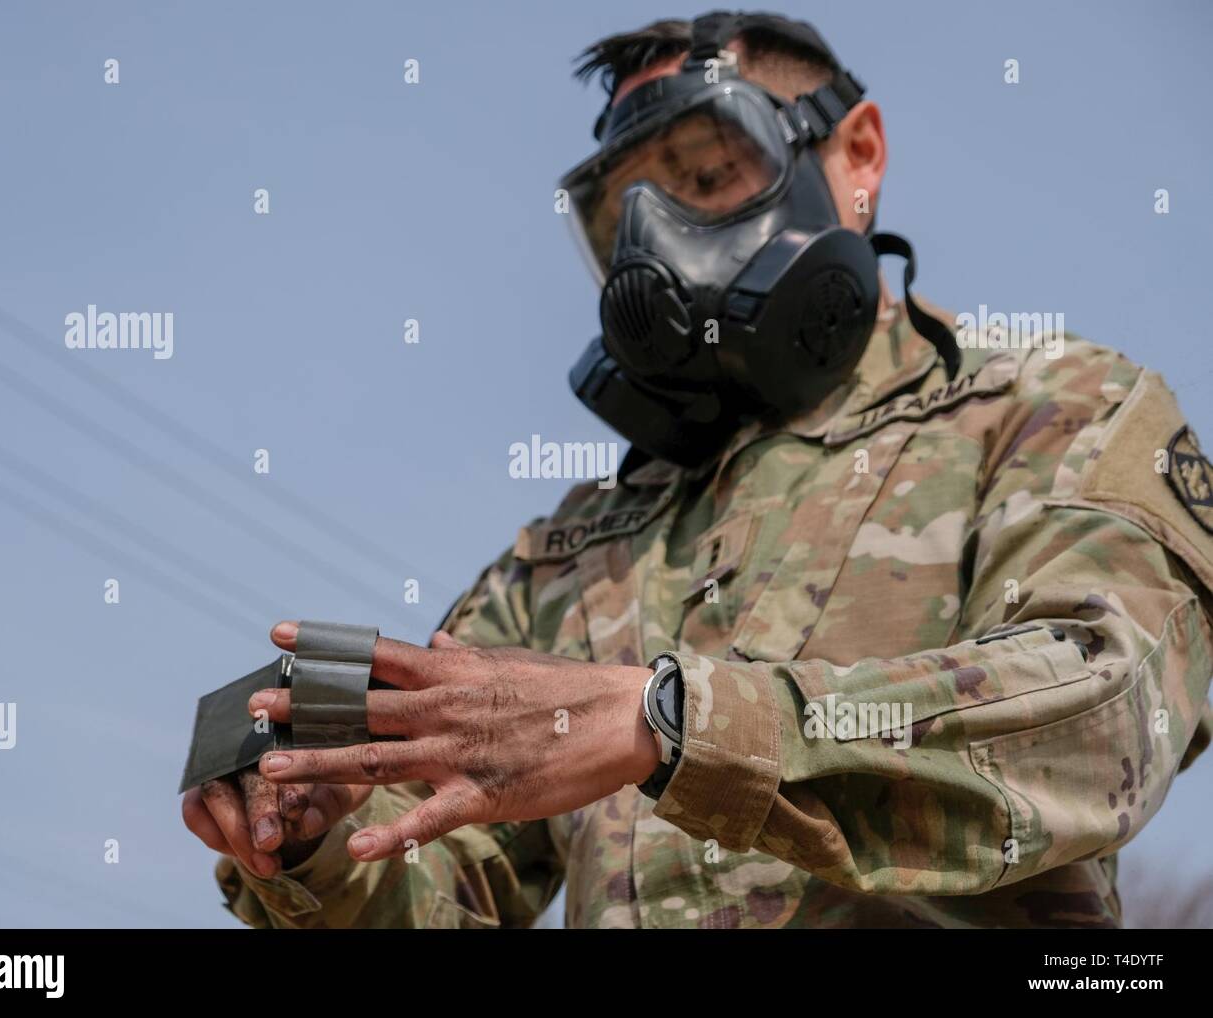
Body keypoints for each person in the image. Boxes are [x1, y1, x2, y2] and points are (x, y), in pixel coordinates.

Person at [181, 10, 1213, 928]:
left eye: (710, 177)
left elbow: (1101, 713)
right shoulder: (569, 554)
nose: (660, 249)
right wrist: (305, 837)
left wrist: (668, 723)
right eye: (623, 218)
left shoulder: (1052, 405)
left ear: (855, 156)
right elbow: (446, 876)